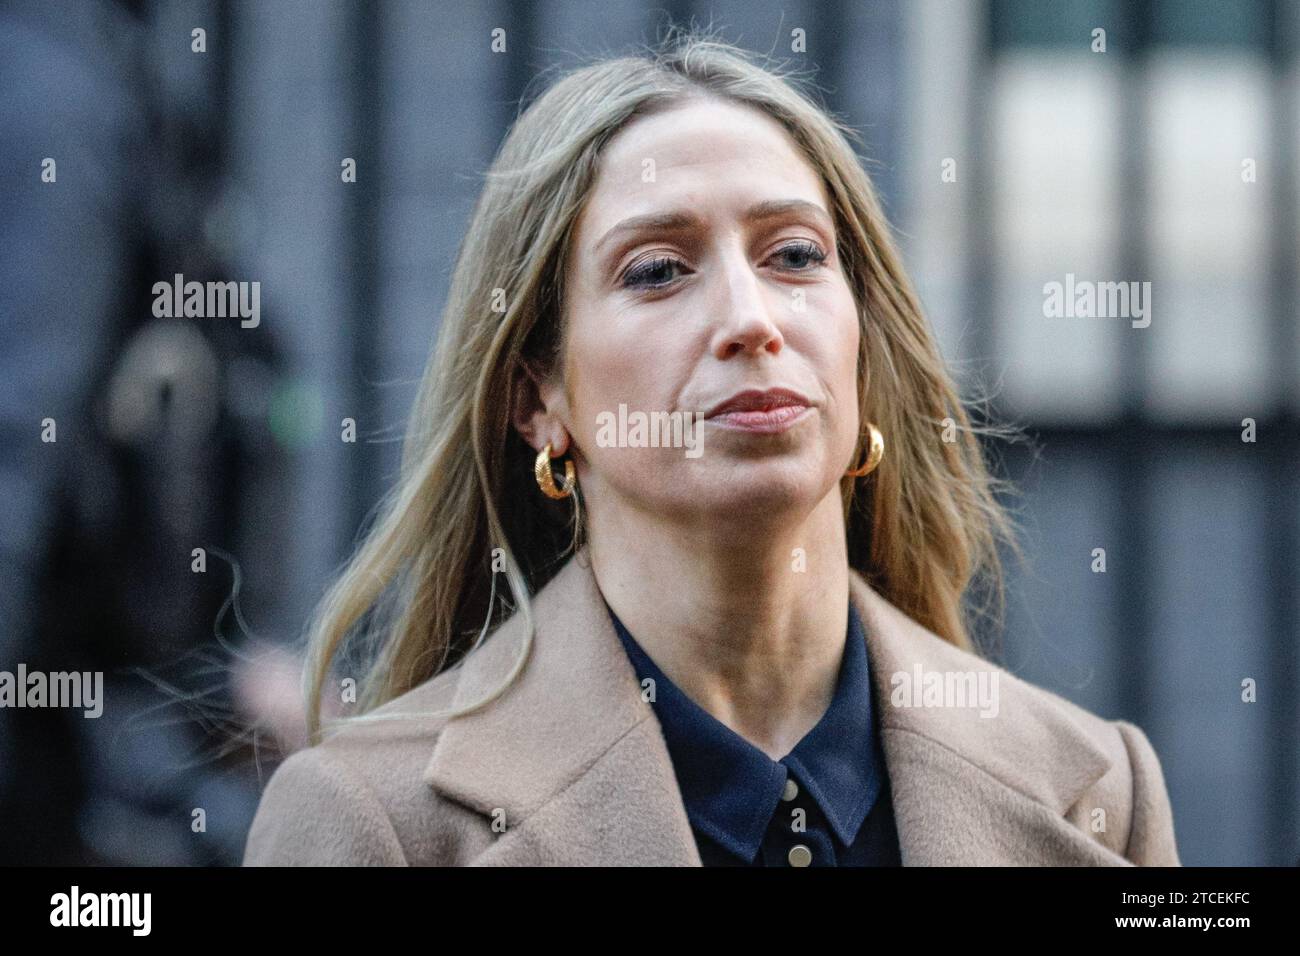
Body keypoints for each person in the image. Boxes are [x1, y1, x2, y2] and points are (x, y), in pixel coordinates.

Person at [243, 32, 1180, 867]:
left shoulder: (1099, 791)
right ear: (540, 398)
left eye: (796, 255)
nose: (750, 318)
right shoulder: (375, 824)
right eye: (658, 270)